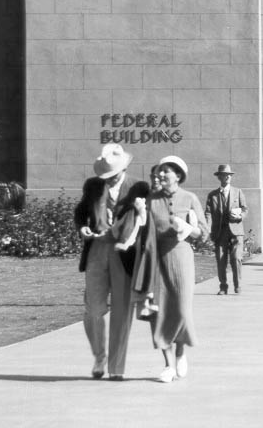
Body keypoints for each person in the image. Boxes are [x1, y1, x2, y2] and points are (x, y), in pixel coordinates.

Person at [73, 143, 141, 381]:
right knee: (94, 309)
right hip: (97, 251)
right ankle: (99, 356)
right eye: (106, 176)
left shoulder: (137, 188)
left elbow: (145, 220)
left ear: (123, 169)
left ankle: (116, 366)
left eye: (114, 176)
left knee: (121, 311)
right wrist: (82, 227)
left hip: (124, 253)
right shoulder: (92, 186)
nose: (110, 180)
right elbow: (81, 212)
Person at [148, 155, 206, 382]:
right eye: (160, 171)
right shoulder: (150, 199)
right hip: (155, 258)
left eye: (166, 171)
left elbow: (203, 233)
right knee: (158, 311)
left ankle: (181, 352)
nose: (161, 175)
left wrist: (188, 228)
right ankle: (168, 364)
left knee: (182, 309)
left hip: (181, 256)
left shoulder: (189, 198)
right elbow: (142, 231)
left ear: (178, 176)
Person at [113, 180, 158, 319]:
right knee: (143, 274)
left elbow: (118, 228)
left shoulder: (126, 210)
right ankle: (146, 303)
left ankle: (145, 303)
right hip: (137, 248)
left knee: (138, 275)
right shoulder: (135, 210)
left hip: (129, 248)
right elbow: (139, 224)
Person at [205, 163, 249, 296]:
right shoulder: (212, 195)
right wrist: (207, 227)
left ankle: (238, 285)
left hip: (236, 231)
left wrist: (240, 215)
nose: (228, 177)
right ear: (220, 178)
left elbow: (245, 209)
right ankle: (223, 286)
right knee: (221, 259)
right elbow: (208, 213)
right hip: (220, 232)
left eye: (229, 175)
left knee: (236, 258)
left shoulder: (238, 192)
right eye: (225, 175)